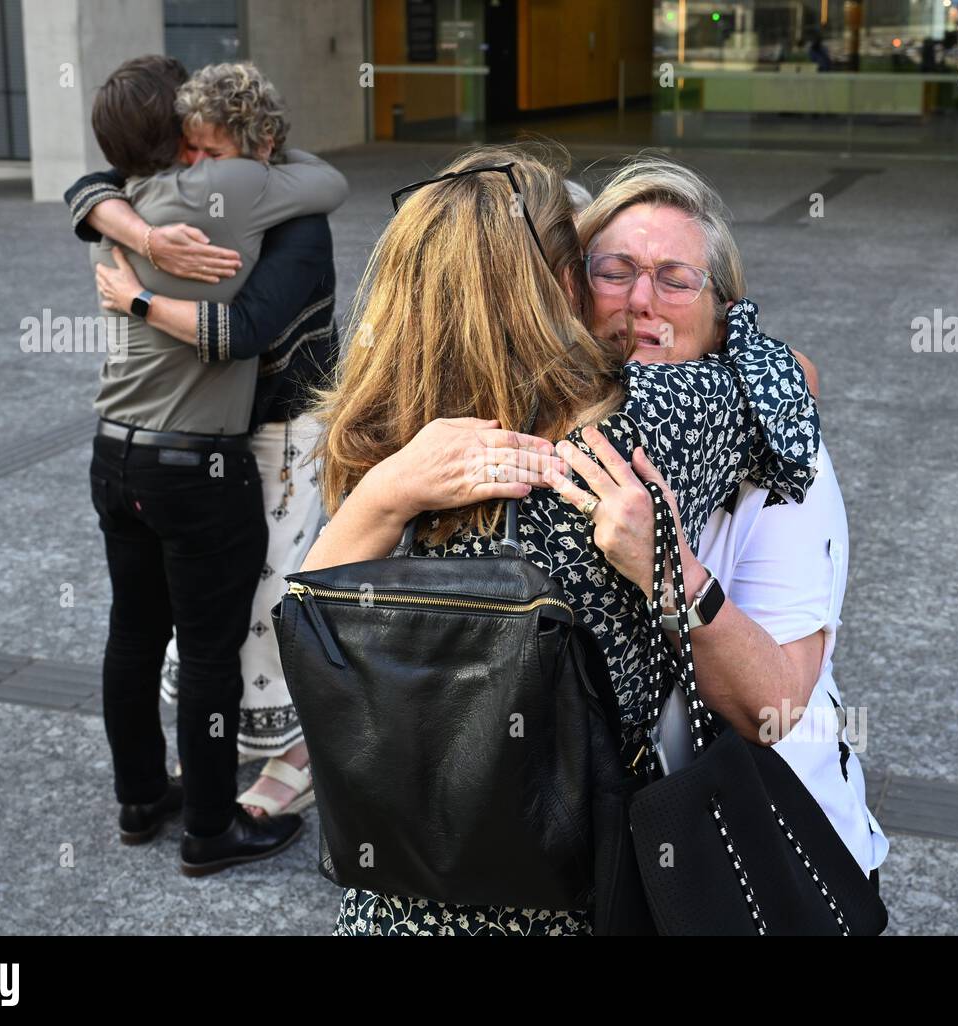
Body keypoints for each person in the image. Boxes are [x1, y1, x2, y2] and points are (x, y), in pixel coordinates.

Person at [299, 144, 821, 935]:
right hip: (571, 887)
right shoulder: (645, 422)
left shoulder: (385, 434)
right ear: (558, 284)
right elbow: (793, 378)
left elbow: (311, 625)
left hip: (400, 889)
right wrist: (720, 308)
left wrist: (388, 490)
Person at [573, 158, 887, 886]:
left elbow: (775, 707)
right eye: (614, 270)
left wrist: (671, 572)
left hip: (768, 858)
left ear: (722, 315)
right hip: (627, 860)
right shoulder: (565, 429)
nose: (640, 300)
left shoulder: (781, 456)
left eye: (675, 279)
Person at [79, 55, 345, 875]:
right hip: (197, 464)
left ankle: (137, 798)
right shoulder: (236, 190)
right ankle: (208, 828)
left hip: (112, 452)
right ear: (183, 132)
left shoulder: (127, 201)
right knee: (206, 649)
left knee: (132, 630)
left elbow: (85, 190)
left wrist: (133, 256)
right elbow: (327, 181)